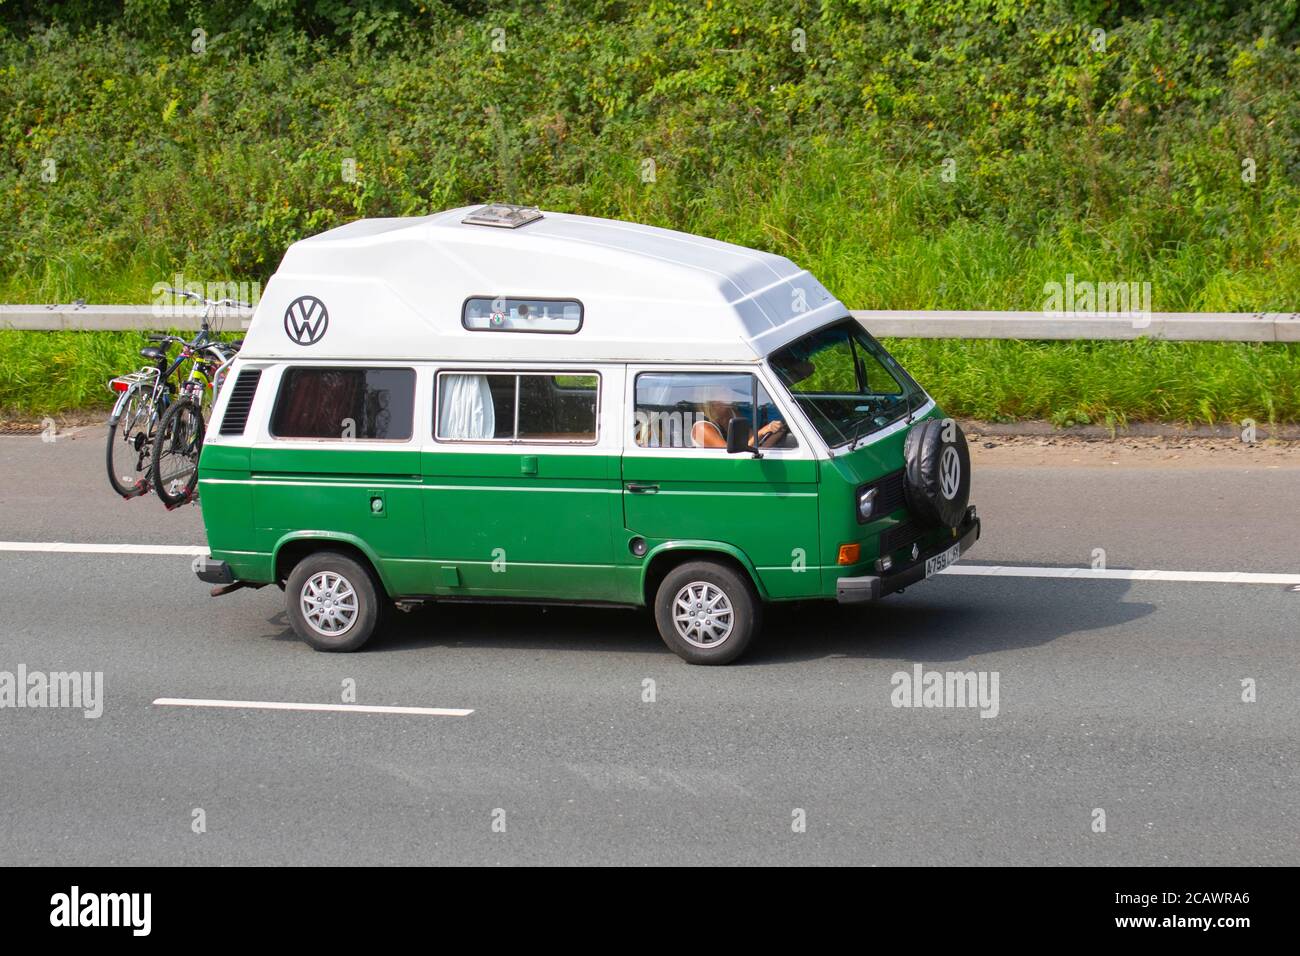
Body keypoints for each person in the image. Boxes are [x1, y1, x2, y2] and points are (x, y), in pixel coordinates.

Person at [691, 399, 786, 449]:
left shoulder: (732, 413)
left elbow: (754, 446)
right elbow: (731, 458)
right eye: (724, 391)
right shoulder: (702, 428)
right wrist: (763, 431)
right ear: (711, 400)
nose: (730, 395)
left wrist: (777, 433)